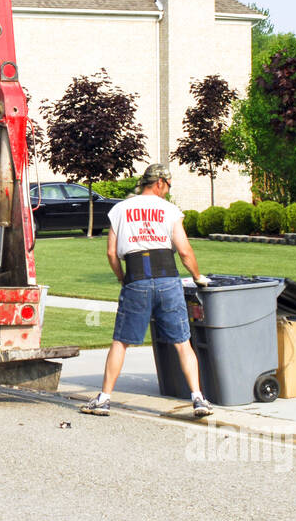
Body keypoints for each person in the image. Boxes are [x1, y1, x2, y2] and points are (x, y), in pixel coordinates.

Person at [80, 163, 214, 419]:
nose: (168, 191)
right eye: (168, 186)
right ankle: (198, 398)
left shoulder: (120, 209)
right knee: (182, 342)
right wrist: (197, 277)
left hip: (136, 278)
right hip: (167, 278)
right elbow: (184, 251)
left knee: (121, 341)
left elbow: (111, 252)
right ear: (160, 183)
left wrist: (123, 279)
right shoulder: (169, 210)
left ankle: (105, 399)